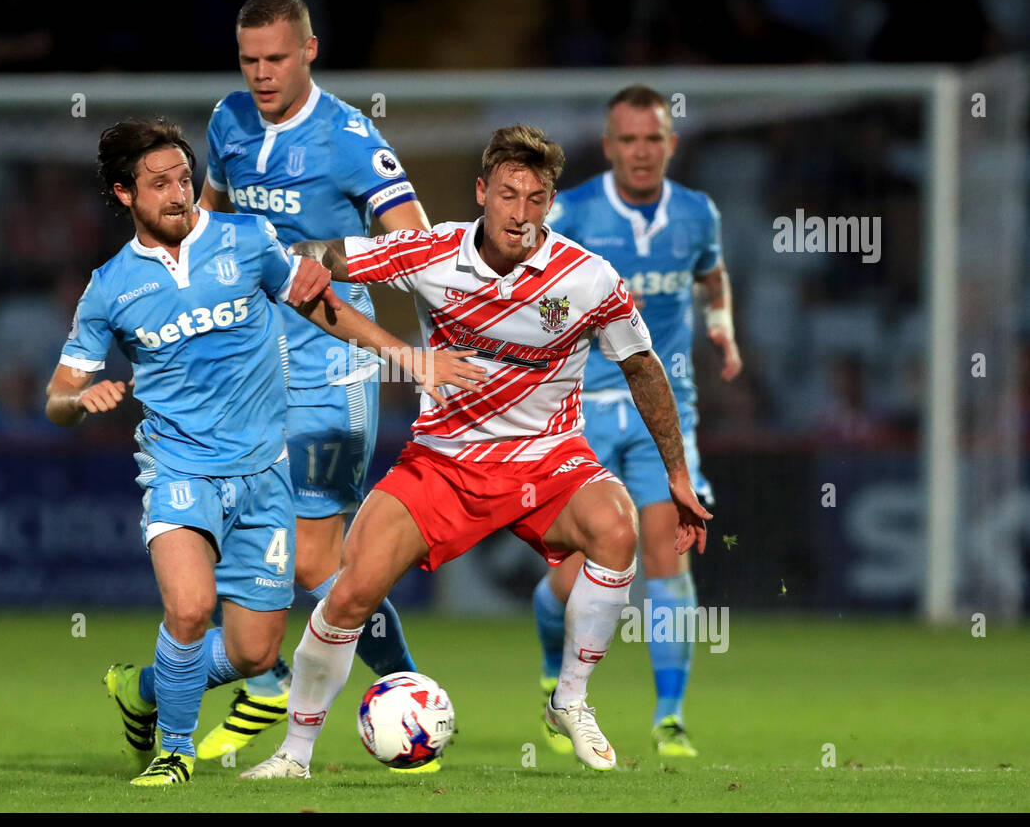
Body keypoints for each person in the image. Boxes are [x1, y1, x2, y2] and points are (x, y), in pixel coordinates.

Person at [239, 124, 711, 780]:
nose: (521, 213)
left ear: (550, 203)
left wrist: (679, 473)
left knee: (615, 526)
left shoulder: (587, 278)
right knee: (351, 595)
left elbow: (643, 366)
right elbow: (318, 260)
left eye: (536, 198)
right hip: (443, 463)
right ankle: (294, 754)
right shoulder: (431, 252)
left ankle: (569, 702)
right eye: (509, 194)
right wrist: (359, 311)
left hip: (546, 462)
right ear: (482, 191)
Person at [45, 117, 483, 786]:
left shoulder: (248, 240)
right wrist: (82, 402)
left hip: (264, 472)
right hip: (180, 467)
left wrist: (408, 358)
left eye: (183, 178)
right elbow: (59, 394)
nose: (176, 193)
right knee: (189, 609)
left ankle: (142, 689)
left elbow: (318, 305)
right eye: (157, 183)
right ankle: (176, 751)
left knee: (254, 654)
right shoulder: (110, 287)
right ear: (124, 193)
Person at [195, 0, 436, 764]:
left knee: (310, 562)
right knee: (292, 559)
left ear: (309, 52)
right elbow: (211, 223)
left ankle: (401, 691)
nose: (261, 74)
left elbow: (420, 249)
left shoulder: (350, 140)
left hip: (333, 367)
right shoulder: (227, 121)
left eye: (275, 58)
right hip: (247, 367)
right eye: (249, 60)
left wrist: (335, 262)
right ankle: (401, 692)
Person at [533, 85, 742, 758]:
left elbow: (712, 276)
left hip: (664, 412)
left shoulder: (696, 213)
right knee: (567, 578)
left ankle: (670, 716)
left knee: (665, 553)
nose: (641, 151)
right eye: (628, 140)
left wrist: (723, 332)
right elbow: (538, 297)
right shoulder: (572, 212)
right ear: (609, 146)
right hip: (581, 415)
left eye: (653, 138)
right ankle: (552, 675)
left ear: (670, 144)